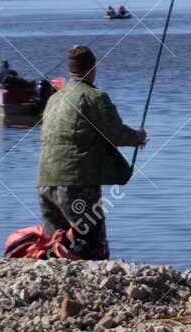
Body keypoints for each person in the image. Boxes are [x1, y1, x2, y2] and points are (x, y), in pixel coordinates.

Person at [36, 44, 147, 260]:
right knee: (93, 248)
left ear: (70, 70)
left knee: (56, 245)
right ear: (92, 68)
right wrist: (139, 137)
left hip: (45, 182)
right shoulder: (94, 97)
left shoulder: (54, 99)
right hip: (76, 186)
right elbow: (118, 135)